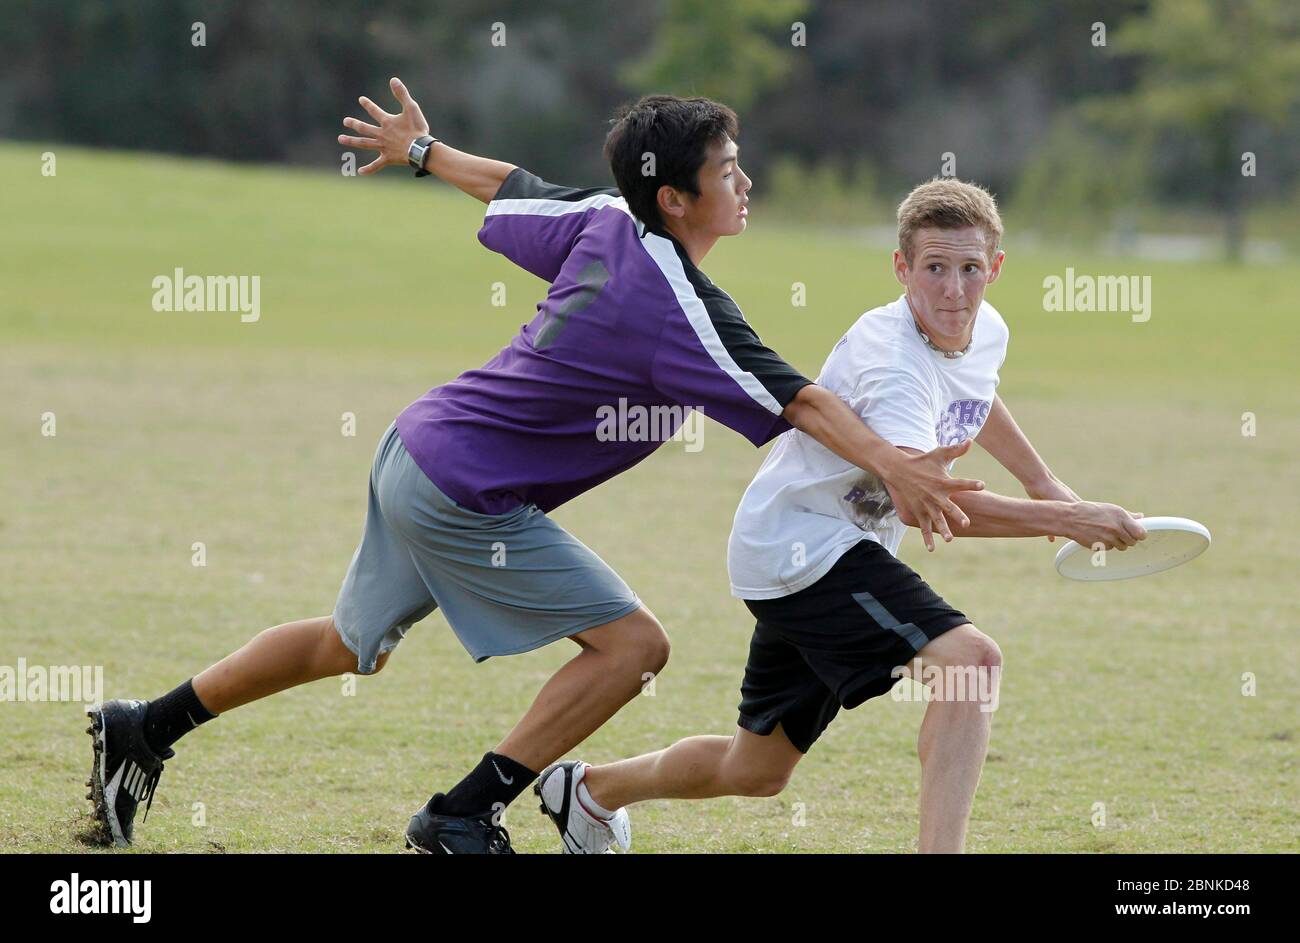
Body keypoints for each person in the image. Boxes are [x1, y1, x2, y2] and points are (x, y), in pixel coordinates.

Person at [84, 81, 980, 854]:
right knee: (635, 648)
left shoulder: (602, 217)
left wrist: (422, 148)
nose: (744, 181)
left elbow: (509, 185)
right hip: (462, 493)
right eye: (728, 168)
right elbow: (804, 402)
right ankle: (464, 815)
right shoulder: (685, 309)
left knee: (347, 645)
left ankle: (144, 728)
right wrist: (895, 470)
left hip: (415, 448)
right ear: (673, 197)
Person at [538, 177, 1147, 853]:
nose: (954, 290)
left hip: (805, 547)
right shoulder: (890, 359)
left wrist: (1044, 482)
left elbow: (976, 389)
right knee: (970, 663)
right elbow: (928, 504)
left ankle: (588, 790)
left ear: (995, 268)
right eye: (935, 268)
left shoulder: (984, 329)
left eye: (970, 269)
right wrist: (1070, 520)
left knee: (758, 768)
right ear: (901, 267)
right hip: (806, 549)